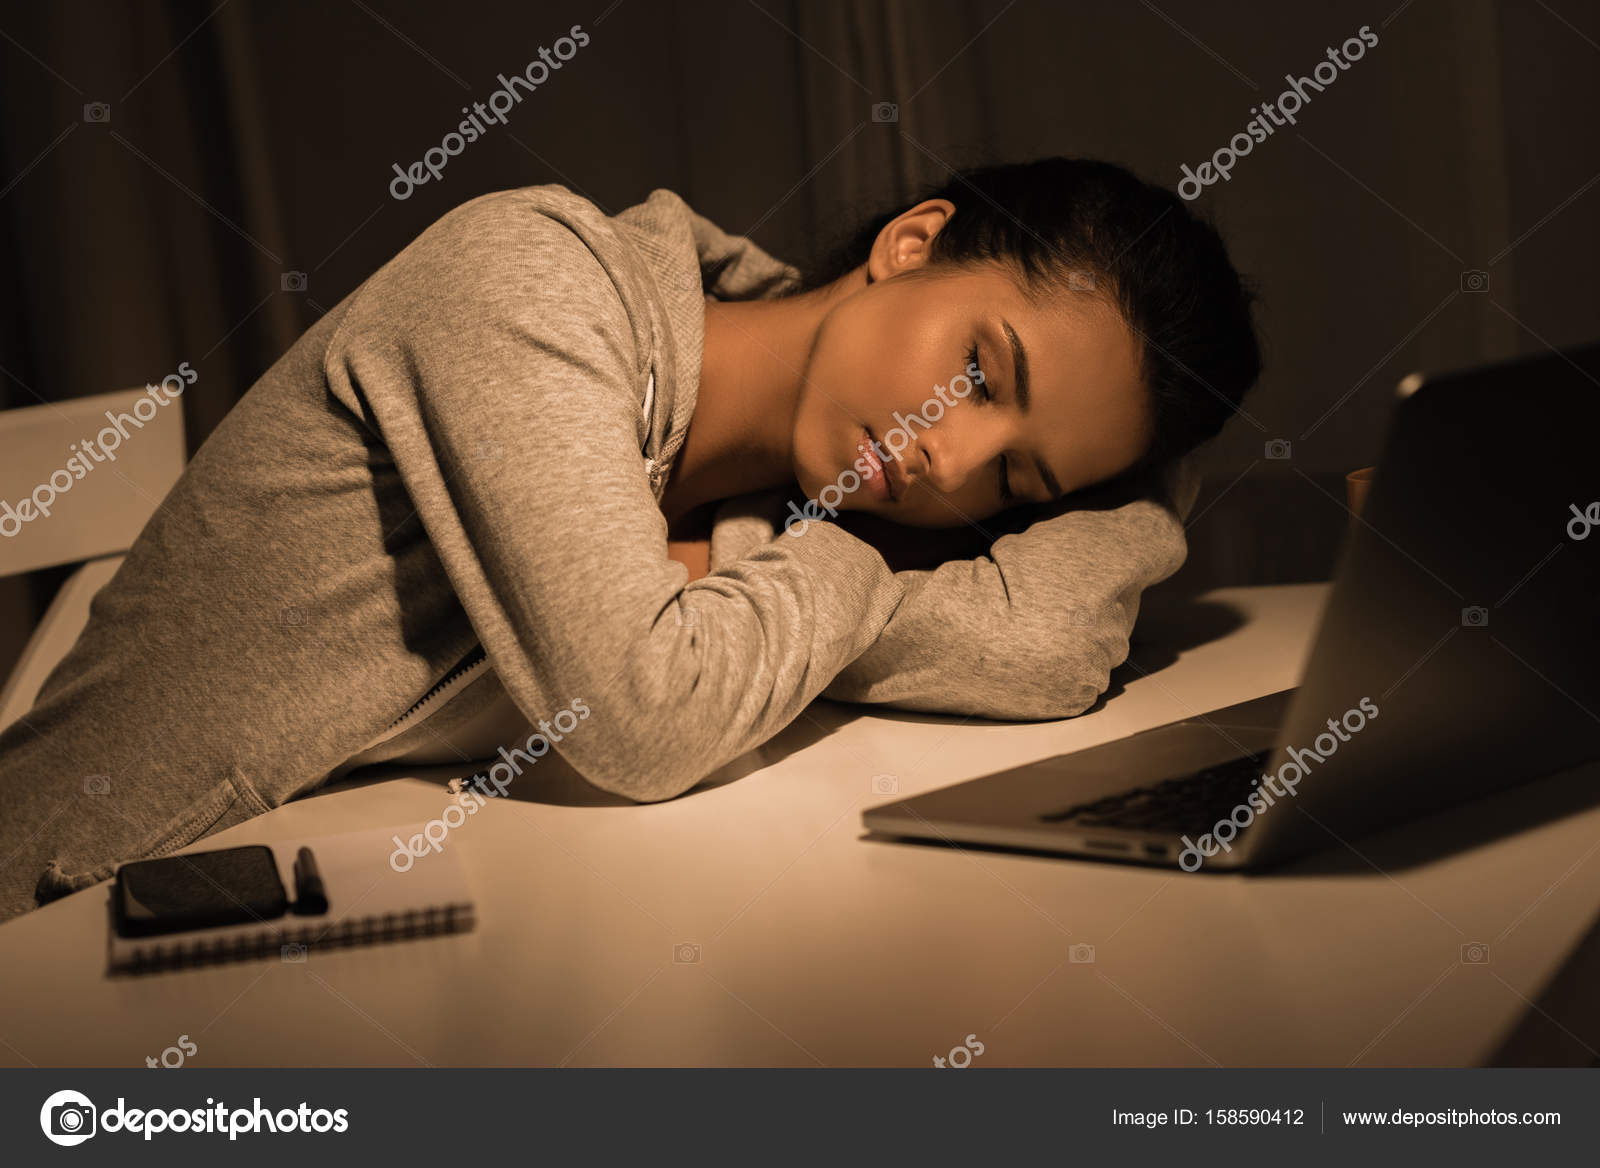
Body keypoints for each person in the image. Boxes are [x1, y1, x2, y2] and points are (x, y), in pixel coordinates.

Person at [0, 157, 1259, 922]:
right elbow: (645, 715)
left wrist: (1151, 485)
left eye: (1022, 480)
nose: (952, 461)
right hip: (57, 920)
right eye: (982, 372)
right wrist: (835, 570)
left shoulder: (770, 505)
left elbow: (1046, 643)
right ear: (909, 245)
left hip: (288, 944)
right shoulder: (528, 280)